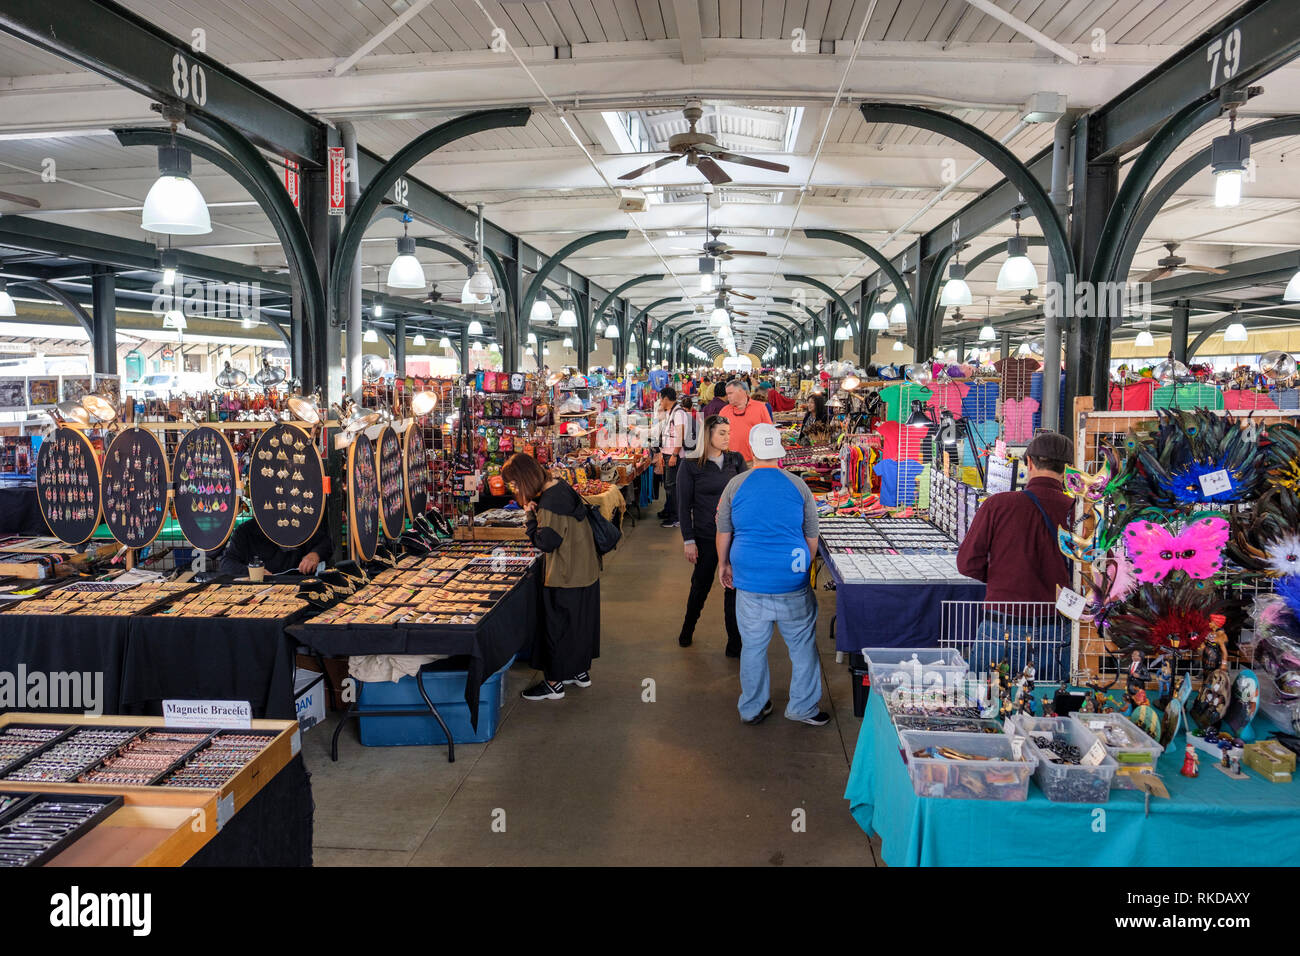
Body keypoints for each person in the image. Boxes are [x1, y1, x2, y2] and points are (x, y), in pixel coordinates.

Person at [716, 423, 829, 726]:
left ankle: (752, 707)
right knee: (802, 646)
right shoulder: (799, 486)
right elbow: (811, 538)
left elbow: (724, 530)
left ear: (752, 451)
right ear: (779, 451)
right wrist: (804, 568)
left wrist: (723, 564)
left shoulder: (735, 486)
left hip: (750, 579)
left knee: (753, 647)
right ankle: (802, 708)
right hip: (791, 579)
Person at [956, 431, 1076, 677]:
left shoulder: (997, 505)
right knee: (1048, 706)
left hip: (1000, 626)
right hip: (1055, 628)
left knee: (987, 702)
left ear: (1028, 462)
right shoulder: (1078, 512)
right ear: (1068, 468)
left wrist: (1004, 576)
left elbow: (967, 563)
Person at [501, 452, 600, 701]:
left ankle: (554, 683)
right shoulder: (560, 487)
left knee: (556, 628)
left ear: (523, 479)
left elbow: (546, 542)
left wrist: (530, 516)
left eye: (514, 484)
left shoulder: (548, 503)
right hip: (585, 569)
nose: (514, 489)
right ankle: (579, 672)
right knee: (578, 625)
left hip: (565, 574)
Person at [676, 415, 746, 655]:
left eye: (728, 432)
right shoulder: (690, 465)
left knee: (733, 588)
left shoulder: (735, 461)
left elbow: (744, 498)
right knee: (700, 586)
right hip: (706, 537)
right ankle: (687, 630)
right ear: (708, 435)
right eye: (722, 433)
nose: (727, 437)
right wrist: (688, 540)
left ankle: (734, 643)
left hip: (734, 537)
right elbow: (684, 507)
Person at [218, 516, 330, 577]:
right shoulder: (245, 531)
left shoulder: (297, 523)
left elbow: (327, 543)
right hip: (259, 591)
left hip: (298, 586)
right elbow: (226, 563)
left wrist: (315, 555)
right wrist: (251, 572)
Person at [657, 386, 690, 527]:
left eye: (660, 399)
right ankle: (669, 510)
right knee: (669, 485)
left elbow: (680, 435)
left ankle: (675, 517)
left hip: (674, 454)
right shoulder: (671, 412)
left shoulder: (678, 413)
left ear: (665, 398)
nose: (660, 402)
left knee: (672, 486)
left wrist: (674, 455)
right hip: (668, 452)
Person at [719, 379, 774, 462]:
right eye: (727, 394)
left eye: (730, 393)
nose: (728, 396)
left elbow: (770, 432)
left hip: (754, 460)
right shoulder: (724, 411)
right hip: (730, 461)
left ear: (741, 391)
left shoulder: (760, 408)